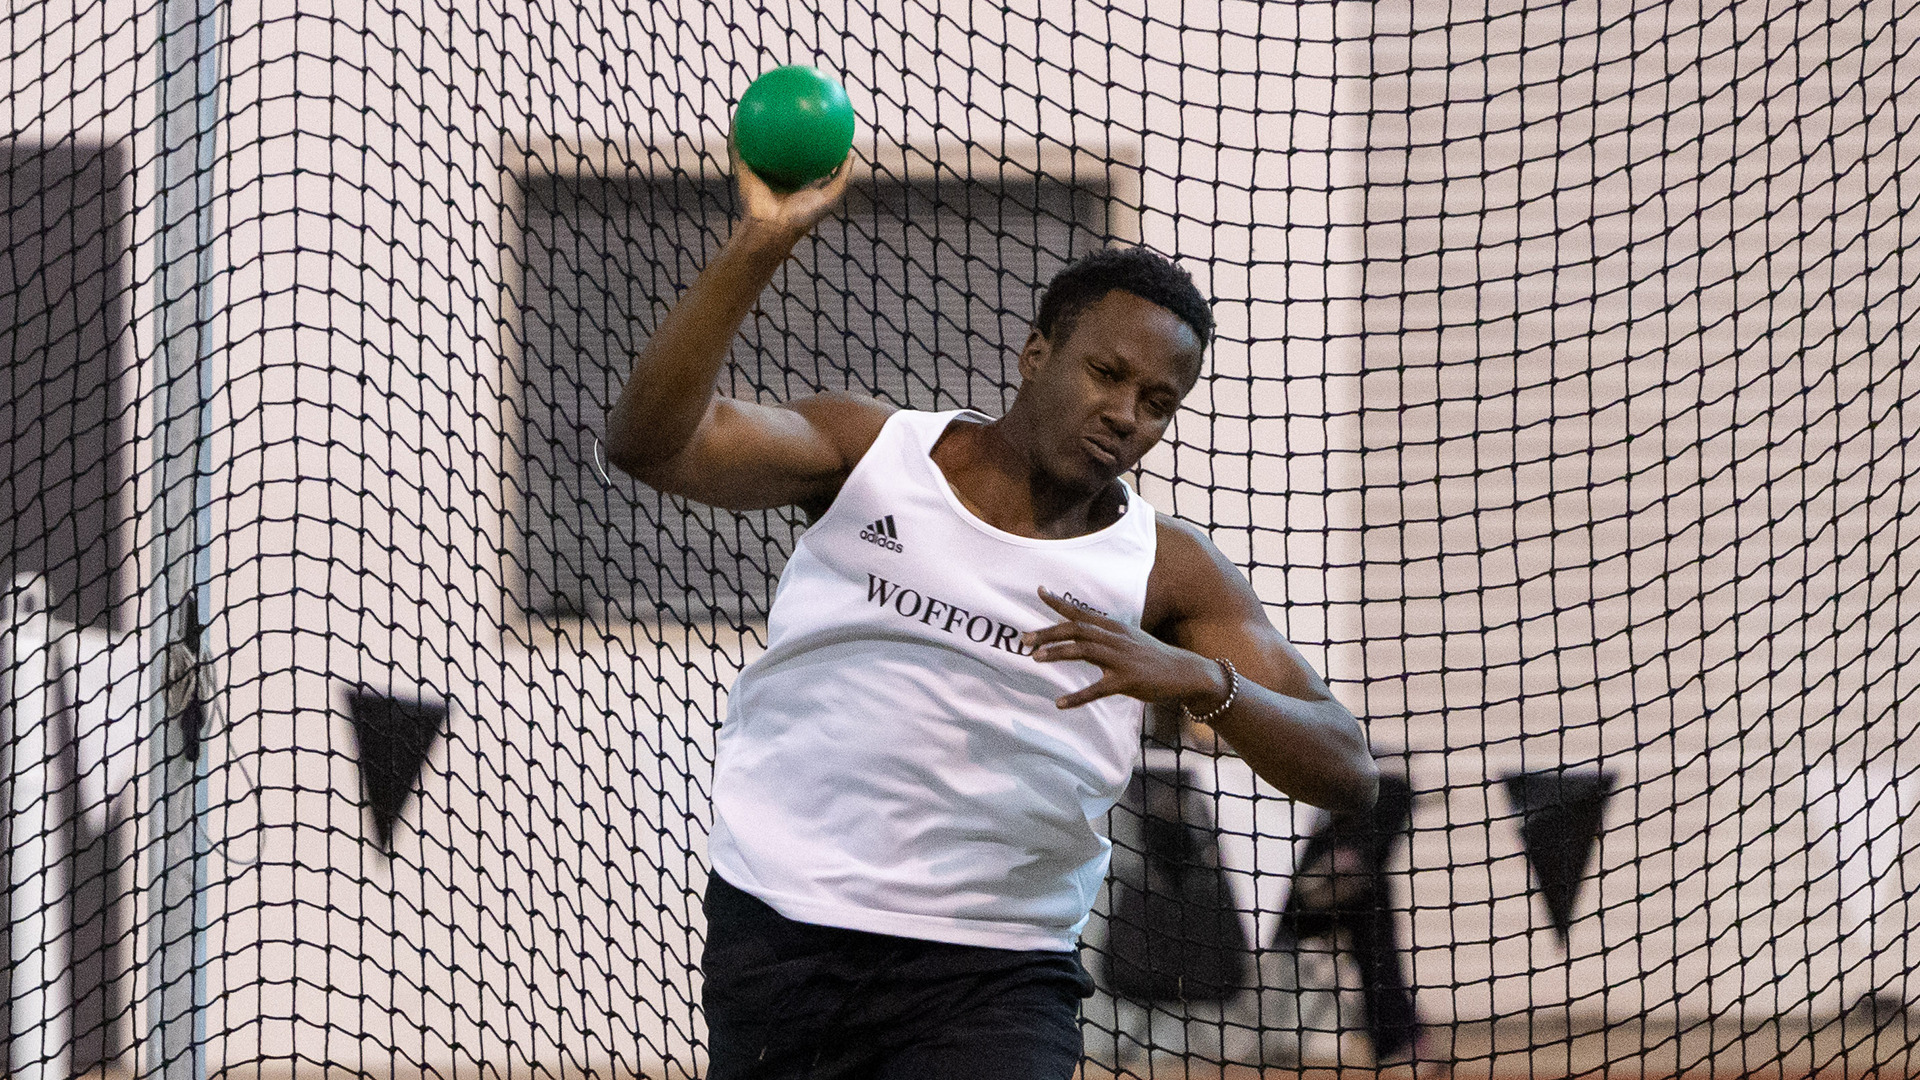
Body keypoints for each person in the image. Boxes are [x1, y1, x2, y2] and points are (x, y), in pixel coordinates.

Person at [603, 153, 1379, 1080]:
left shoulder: (1168, 571)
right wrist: (762, 243)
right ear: (1036, 353)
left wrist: (1208, 685)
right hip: (785, 932)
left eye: (1159, 401)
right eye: (1107, 373)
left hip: (997, 971)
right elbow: (650, 444)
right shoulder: (870, 455)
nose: (1127, 413)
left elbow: (1347, 770)